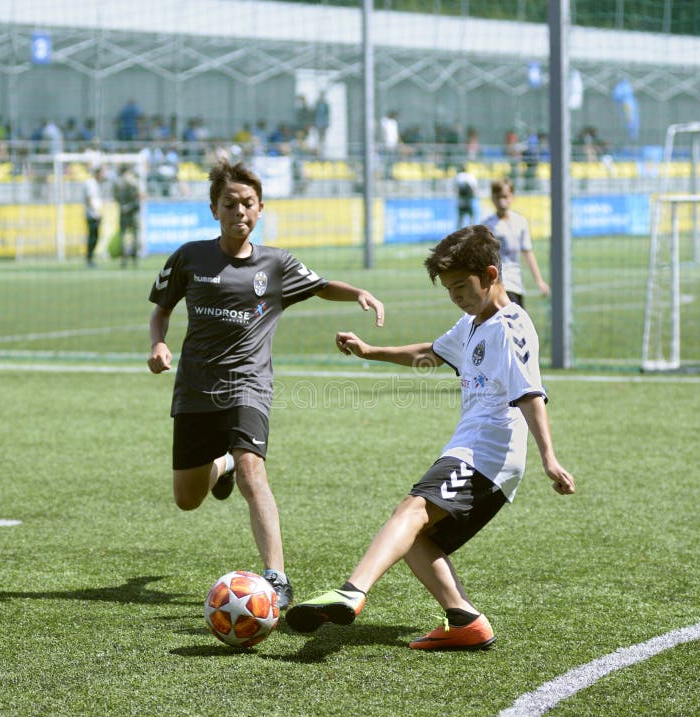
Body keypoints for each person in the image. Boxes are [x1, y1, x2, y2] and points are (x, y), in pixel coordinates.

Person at [286, 224, 575, 650]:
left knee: (414, 507)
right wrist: (371, 352)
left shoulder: (510, 327)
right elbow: (432, 354)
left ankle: (352, 590)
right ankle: (464, 619)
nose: (456, 295)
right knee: (417, 540)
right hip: (473, 450)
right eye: (449, 289)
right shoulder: (474, 322)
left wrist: (549, 457)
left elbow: (530, 393)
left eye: (462, 285)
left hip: (487, 453)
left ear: (492, 275)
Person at [146, 160, 385, 610]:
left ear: (261, 208)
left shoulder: (275, 264)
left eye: (248, 203)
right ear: (214, 208)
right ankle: (222, 466)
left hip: (248, 385)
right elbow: (161, 308)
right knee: (187, 499)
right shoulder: (189, 257)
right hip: (196, 388)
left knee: (254, 470)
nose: (240, 211)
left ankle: (276, 577)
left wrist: (357, 292)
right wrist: (158, 344)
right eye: (230, 203)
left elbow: (320, 285)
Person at [481, 178, 549, 307]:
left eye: (505, 196)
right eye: (498, 197)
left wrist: (539, 281)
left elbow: (527, 252)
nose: (502, 201)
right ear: (493, 199)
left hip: (517, 283)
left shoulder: (520, 221)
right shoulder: (487, 225)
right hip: (499, 284)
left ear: (512, 197)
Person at [114, 165, 142, 267]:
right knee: (133, 236)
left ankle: (124, 260)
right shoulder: (133, 182)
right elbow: (139, 196)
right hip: (133, 212)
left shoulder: (117, 184)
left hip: (124, 212)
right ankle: (133, 260)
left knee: (124, 236)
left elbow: (115, 197)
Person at [84, 165, 104, 268]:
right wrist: (96, 212)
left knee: (95, 237)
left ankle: (90, 259)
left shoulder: (94, 184)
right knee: (92, 238)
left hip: (94, 214)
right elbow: (89, 198)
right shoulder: (90, 184)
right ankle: (89, 259)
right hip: (92, 215)